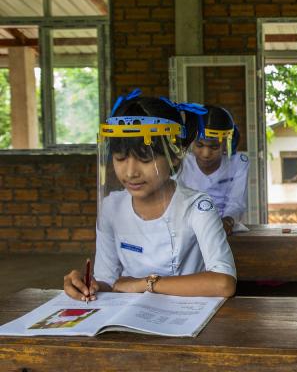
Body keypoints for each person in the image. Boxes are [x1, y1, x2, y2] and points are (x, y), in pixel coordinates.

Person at [63, 90, 237, 301]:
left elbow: (224, 283)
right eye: (120, 158)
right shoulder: (112, 207)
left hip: (189, 315)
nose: (130, 172)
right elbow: (108, 281)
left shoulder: (196, 207)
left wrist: (144, 284)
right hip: (133, 315)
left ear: (174, 155)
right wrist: (87, 285)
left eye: (145, 160)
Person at [178, 104, 249, 235]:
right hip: (186, 230)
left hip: (225, 231)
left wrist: (227, 222)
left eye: (214, 147)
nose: (205, 153)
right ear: (191, 141)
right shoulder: (182, 163)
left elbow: (236, 203)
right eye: (199, 145)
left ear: (227, 144)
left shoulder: (238, 163)